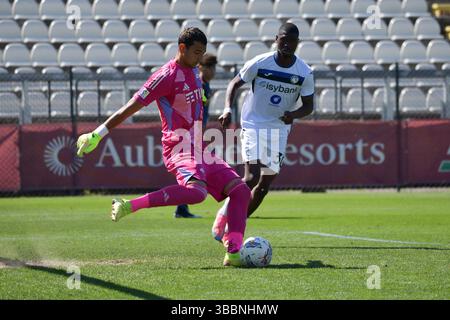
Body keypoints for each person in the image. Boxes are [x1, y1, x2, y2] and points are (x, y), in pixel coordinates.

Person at [76, 28, 250, 267]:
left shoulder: (194, 73)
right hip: (178, 147)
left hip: (199, 148)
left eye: (203, 53)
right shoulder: (165, 76)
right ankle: (129, 205)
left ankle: (233, 252)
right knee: (197, 193)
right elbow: (130, 107)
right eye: (196, 52)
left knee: (241, 191)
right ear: (182, 48)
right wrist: (98, 133)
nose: (200, 58)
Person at [211, 23, 314, 242]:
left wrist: (293, 115)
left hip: (279, 129)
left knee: (264, 186)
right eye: (283, 39)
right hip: (253, 123)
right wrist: (228, 108)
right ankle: (225, 215)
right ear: (276, 38)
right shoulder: (260, 63)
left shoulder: (304, 72)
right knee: (251, 177)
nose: (287, 44)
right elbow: (235, 83)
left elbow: (309, 106)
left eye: (292, 40)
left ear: (297, 43)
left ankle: (234, 227)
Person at [174, 53, 218, 219]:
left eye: (214, 68)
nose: (213, 71)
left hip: (196, 133)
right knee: (191, 171)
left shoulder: (205, 86)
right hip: (191, 134)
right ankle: (181, 207)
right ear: (200, 67)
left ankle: (182, 207)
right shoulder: (199, 85)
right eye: (210, 67)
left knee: (190, 171)